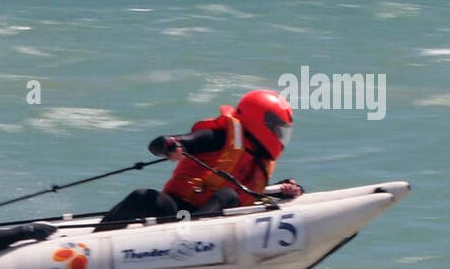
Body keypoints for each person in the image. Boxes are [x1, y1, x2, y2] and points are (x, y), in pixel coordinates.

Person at [97, 90, 303, 227]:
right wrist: (169, 146)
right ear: (260, 123)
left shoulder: (260, 161)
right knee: (142, 196)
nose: (280, 136)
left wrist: (283, 190)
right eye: (277, 130)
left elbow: (248, 194)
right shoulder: (219, 137)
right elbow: (158, 144)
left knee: (229, 195)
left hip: (215, 227)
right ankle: (94, 244)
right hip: (176, 214)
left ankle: (196, 237)